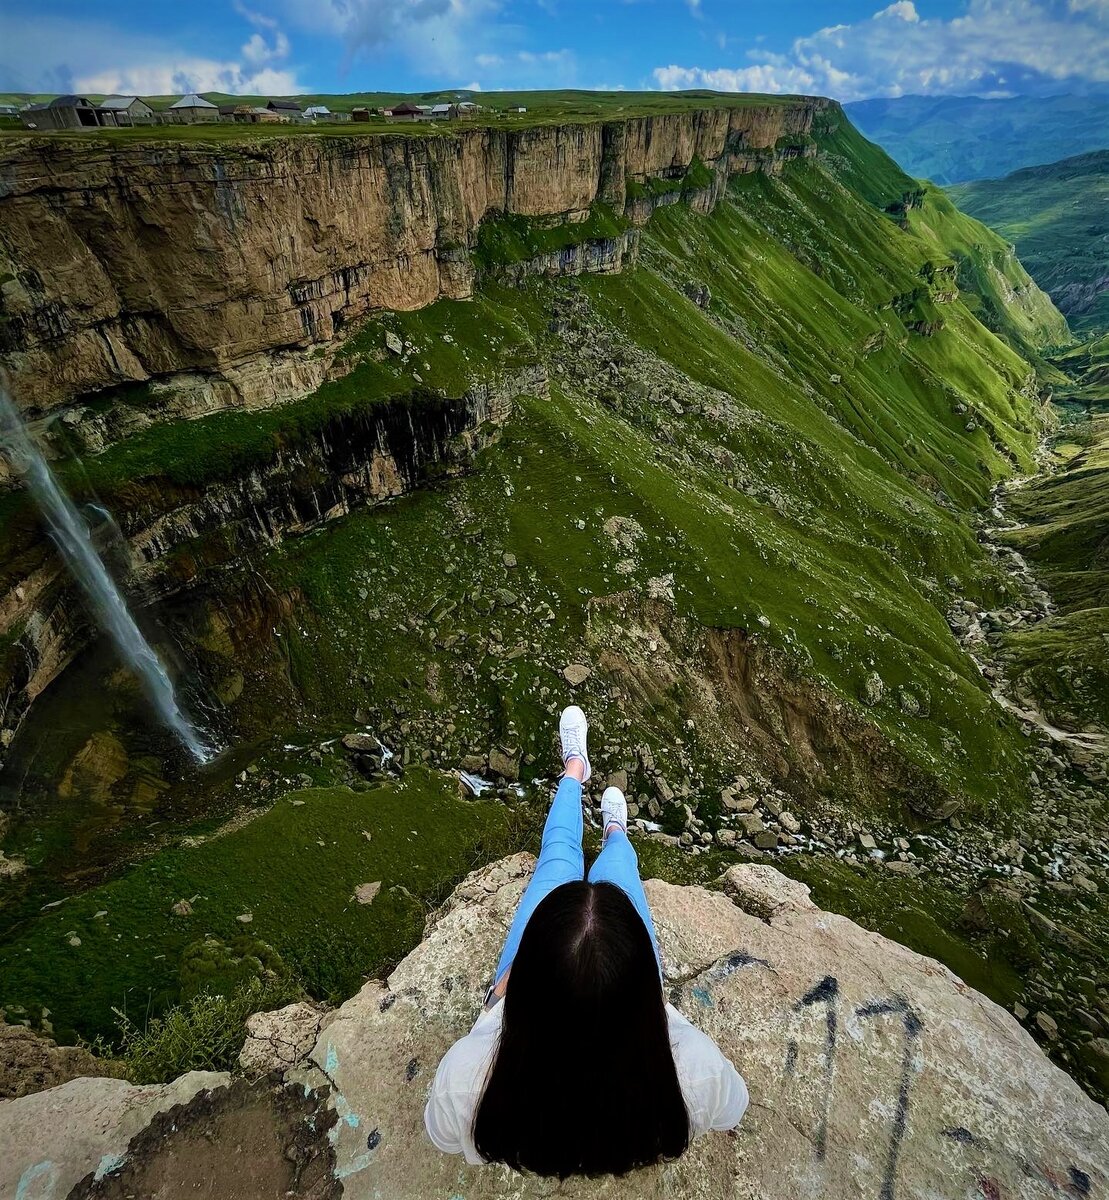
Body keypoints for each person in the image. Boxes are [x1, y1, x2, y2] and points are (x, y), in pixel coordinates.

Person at [424, 705, 748, 1177]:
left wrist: (499, 996)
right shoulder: (696, 1071)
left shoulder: (464, 1079)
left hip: (535, 1012)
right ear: (645, 990)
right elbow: (733, 1109)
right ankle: (616, 830)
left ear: (526, 984)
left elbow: (441, 1134)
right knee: (619, 877)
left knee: (556, 862)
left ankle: (574, 772)